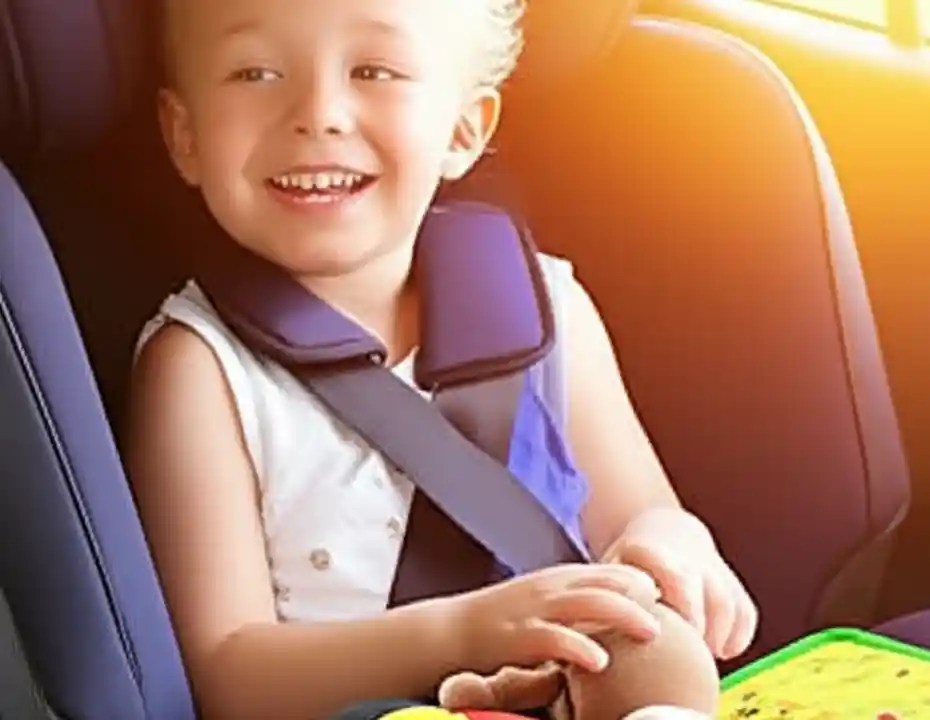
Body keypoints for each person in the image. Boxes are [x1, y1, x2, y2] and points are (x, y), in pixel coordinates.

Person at [125, 1, 758, 718]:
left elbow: (641, 515)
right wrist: (462, 634)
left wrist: (671, 548)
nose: (318, 113)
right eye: (255, 72)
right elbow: (228, 673)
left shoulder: (546, 308)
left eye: (374, 70)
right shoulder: (200, 367)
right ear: (184, 135)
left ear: (464, 128)